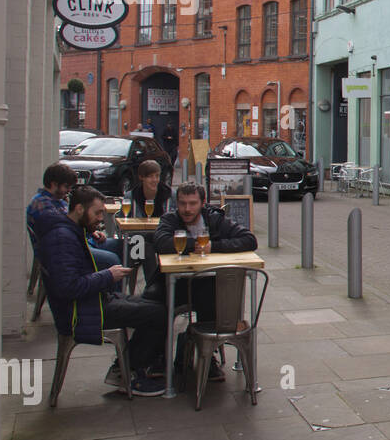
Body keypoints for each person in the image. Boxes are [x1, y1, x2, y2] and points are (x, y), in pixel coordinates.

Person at [31, 184, 168, 396]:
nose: (101, 219)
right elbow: (67, 287)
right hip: (80, 313)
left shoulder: (69, 231)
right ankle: (129, 374)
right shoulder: (62, 238)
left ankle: (131, 365)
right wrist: (107, 276)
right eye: (97, 213)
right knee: (158, 314)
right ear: (78, 209)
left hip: (91, 302)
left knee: (156, 305)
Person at [146, 183, 258, 381]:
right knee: (154, 302)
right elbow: (161, 243)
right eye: (182, 204)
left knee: (215, 298)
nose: (187, 209)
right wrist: (198, 245)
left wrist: (214, 246)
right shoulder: (169, 219)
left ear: (202, 203)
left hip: (204, 282)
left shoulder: (214, 219)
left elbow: (249, 239)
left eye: (192, 204)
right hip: (173, 282)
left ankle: (208, 355)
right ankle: (158, 356)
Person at [26, 164, 123, 277]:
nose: (69, 190)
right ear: (53, 184)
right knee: (111, 260)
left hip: (82, 242)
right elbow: (63, 230)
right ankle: (113, 293)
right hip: (65, 252)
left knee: (121, 246)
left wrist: (91, 232)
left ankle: (109, 288)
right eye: (66, 186)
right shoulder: (42, 204)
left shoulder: (58, 201)